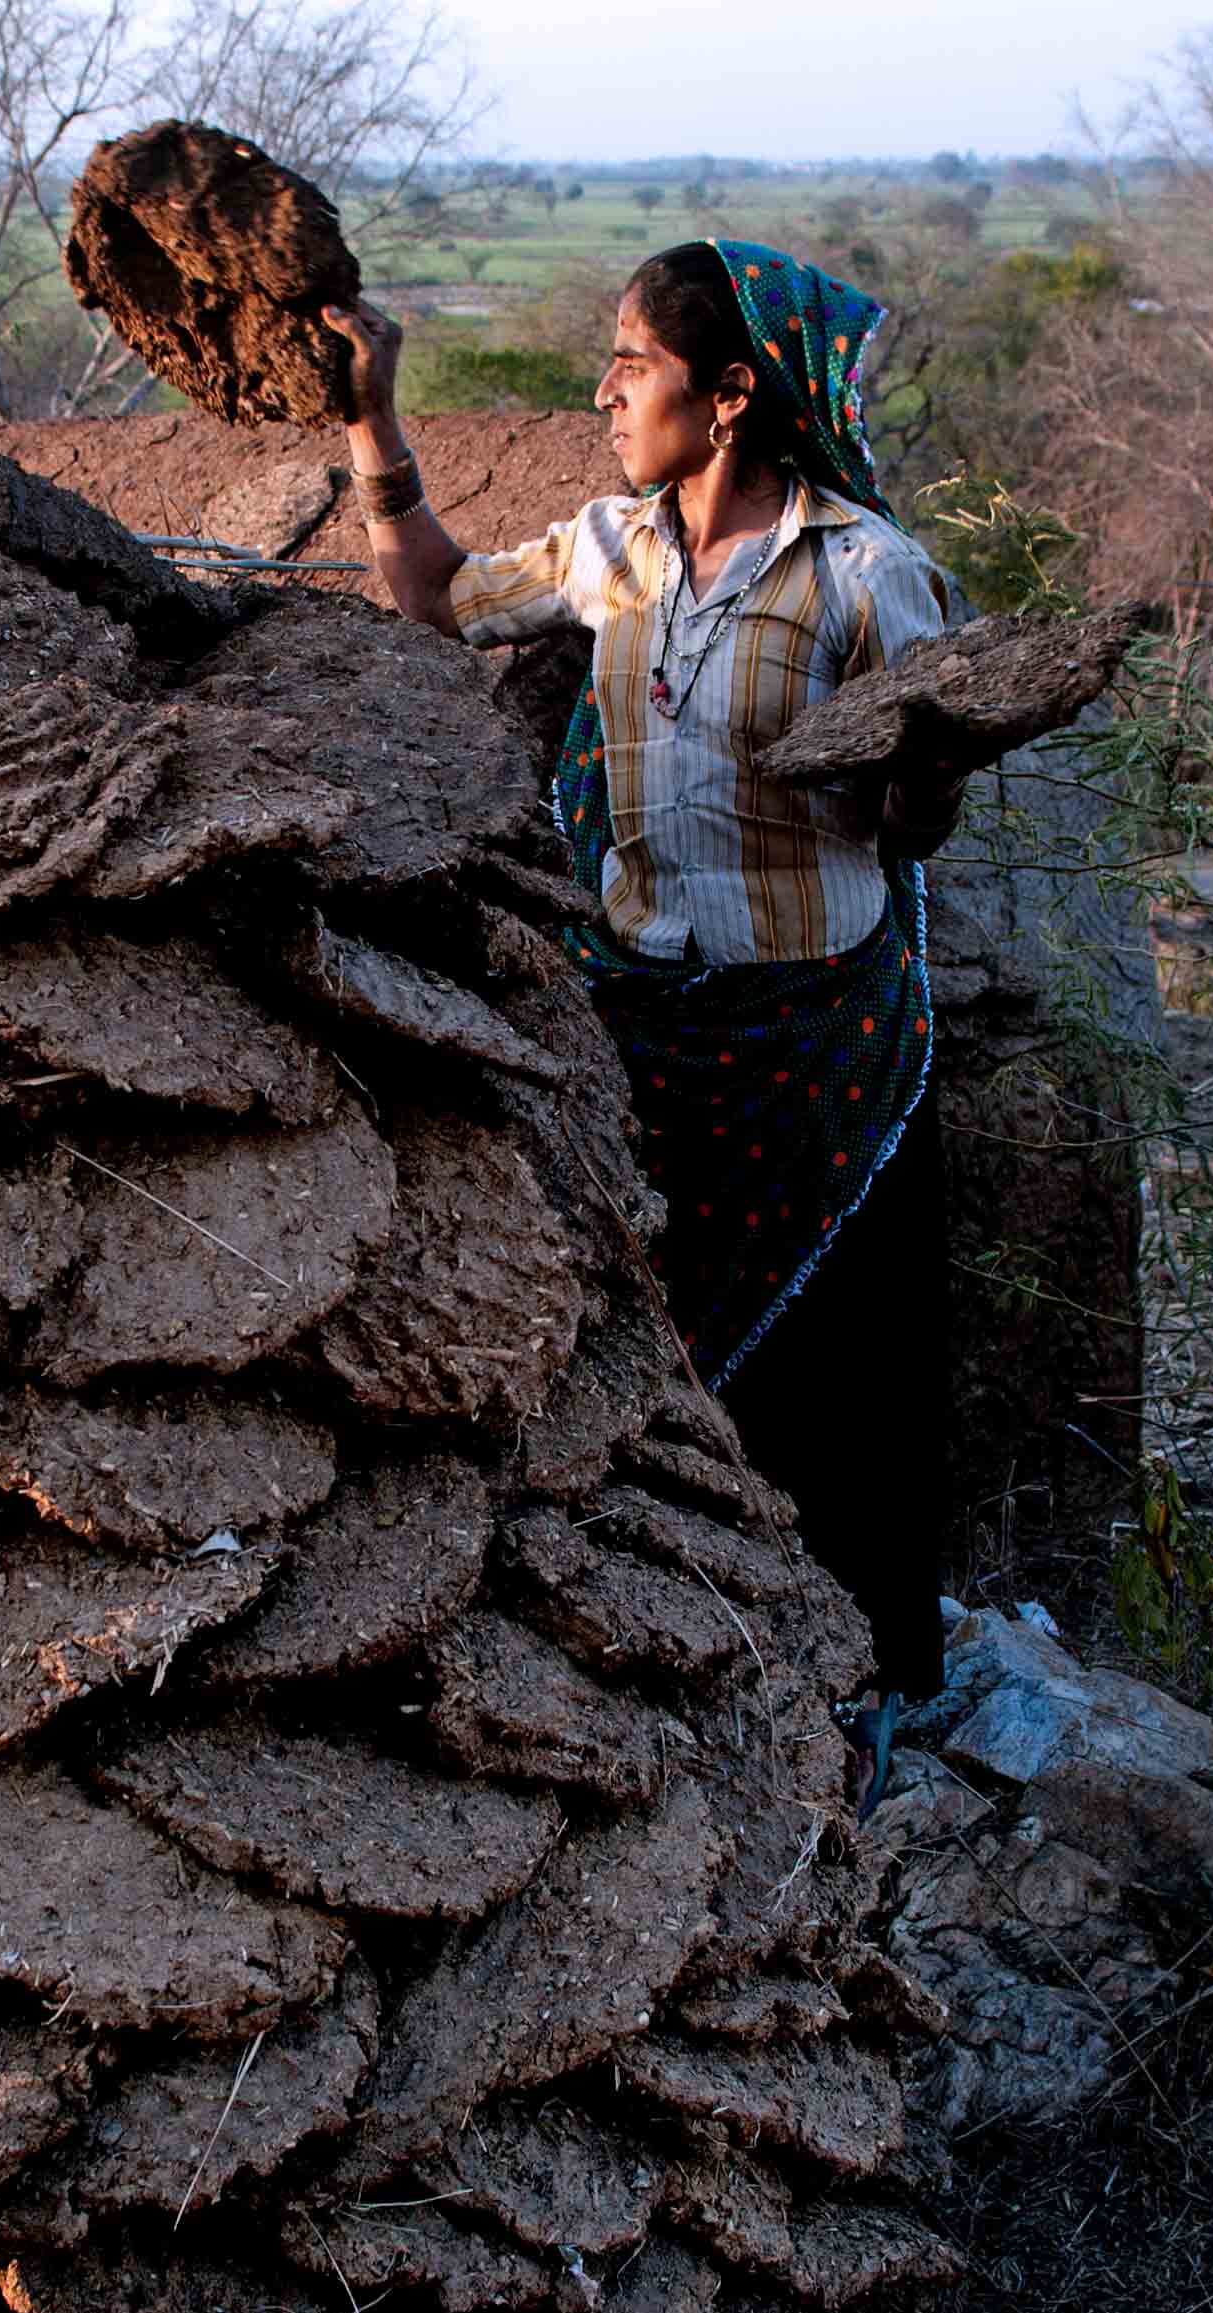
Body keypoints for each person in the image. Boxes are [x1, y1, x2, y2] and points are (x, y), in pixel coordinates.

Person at [321, 243, 965, 1805]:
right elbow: (430, 601)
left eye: (631, 358)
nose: (603, 387)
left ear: (730, 393)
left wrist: (930, 761)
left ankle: (857, 1695)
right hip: (638, 1040)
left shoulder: (867, 575)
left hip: (816, 1052)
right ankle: (678, 1669)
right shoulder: (609, 549)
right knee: (653, 1373)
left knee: (835, 1382)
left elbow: (914, 819)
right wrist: (370, 427)